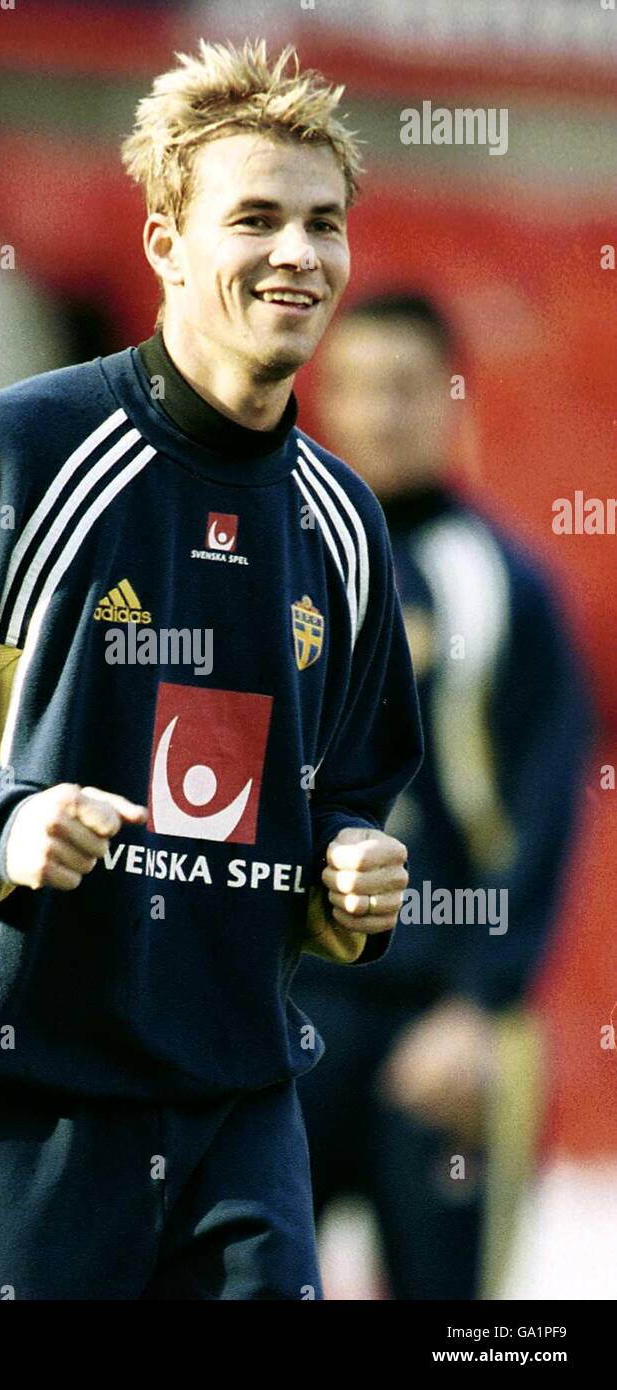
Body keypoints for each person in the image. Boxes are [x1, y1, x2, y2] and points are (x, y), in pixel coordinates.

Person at [0, 40, 422, 1301]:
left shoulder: (345, 523)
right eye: (256, 219)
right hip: (3, 1100)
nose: (300, 253)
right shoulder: (11, 455)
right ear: (166, 243)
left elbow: (350, 784)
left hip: (239, 1106)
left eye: (324, 224)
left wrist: (350, 863)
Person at [291, 291, 593, 1300]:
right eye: (359, 388)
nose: (381, 414)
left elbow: (546, 811)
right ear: (325, 397)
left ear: (450, 402)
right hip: (293, 1015)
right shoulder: (272, 560)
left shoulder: (507, 584)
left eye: (407, 390)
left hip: (446, 1025)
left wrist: (478, 1003)